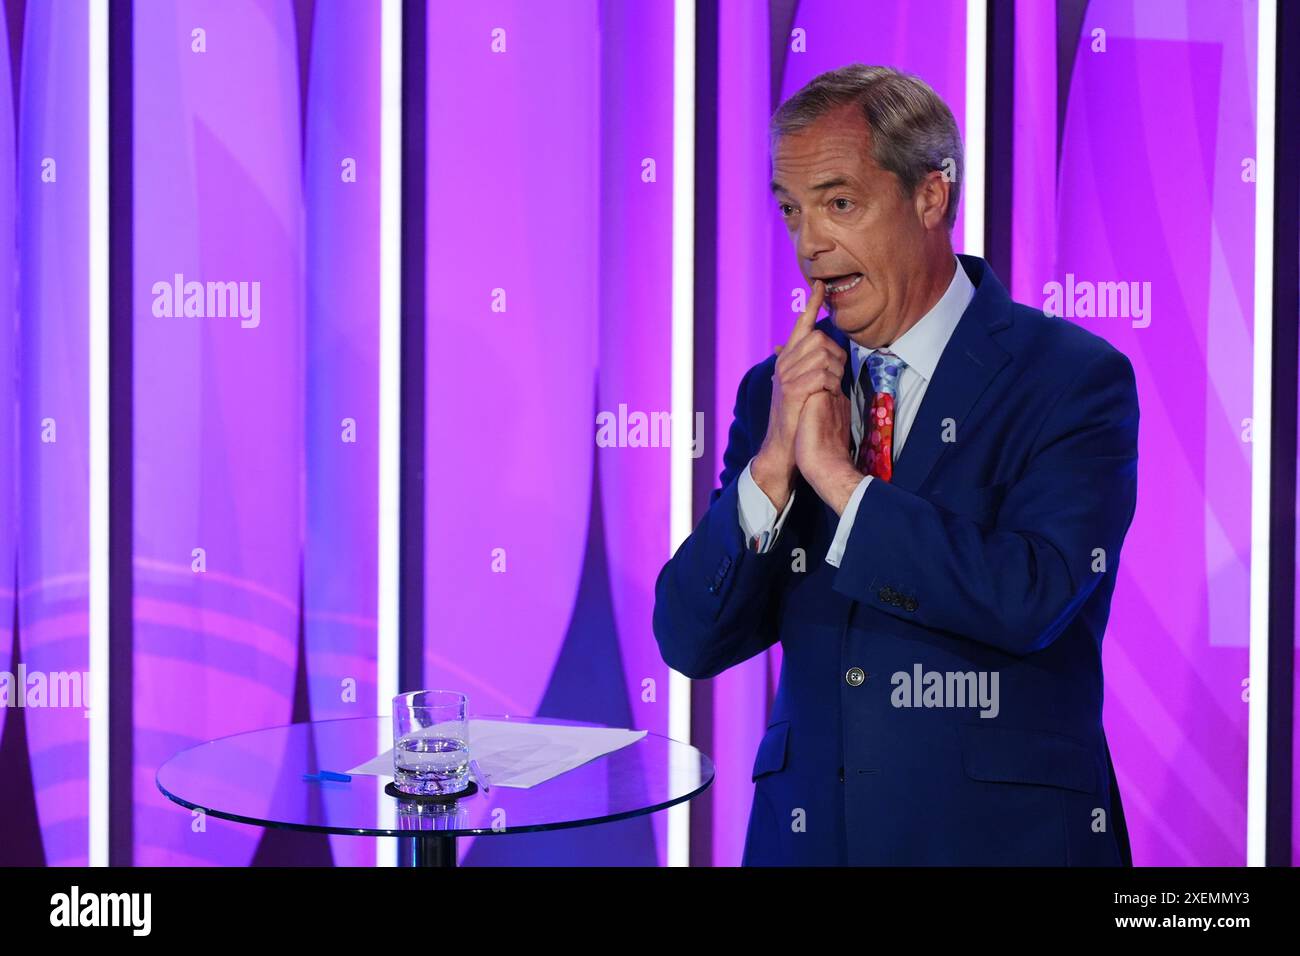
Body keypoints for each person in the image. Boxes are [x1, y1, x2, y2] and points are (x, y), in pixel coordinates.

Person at [652, 64, 1139, 865]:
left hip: (999, 845)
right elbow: (690, 639)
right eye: (792, 211)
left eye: (839, 203)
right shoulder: (779, 394)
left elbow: (1033, 594)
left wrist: (841, 486)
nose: (811, 245)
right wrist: (774, 467)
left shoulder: (1071, 378)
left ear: (929, 198)